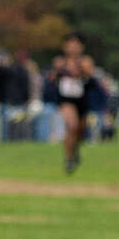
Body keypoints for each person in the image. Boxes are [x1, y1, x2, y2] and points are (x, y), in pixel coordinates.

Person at [49, 32, 96, 174]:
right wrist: (59, 70)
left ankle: (75, 149)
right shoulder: (59, 61)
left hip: (81, 99)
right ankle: (69, 159)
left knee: (80, 131)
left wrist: (79, 67)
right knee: (71, 126)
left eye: (76, 45)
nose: (73, 48)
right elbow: (51, 78)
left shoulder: (86, 61)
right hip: (66, 99)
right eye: (70, 45)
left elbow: (90, 75)